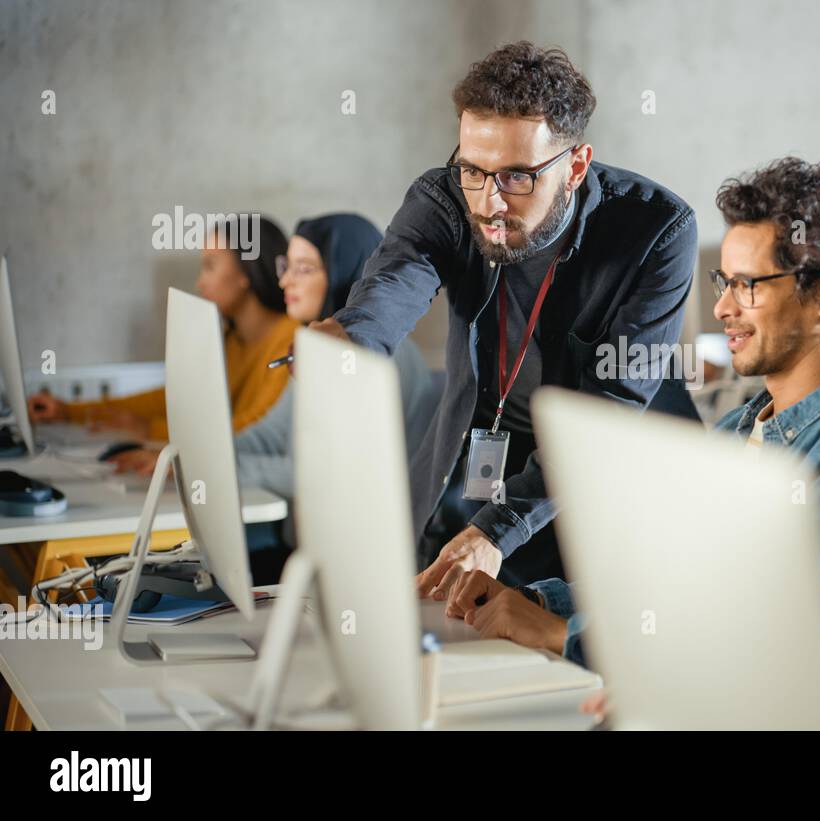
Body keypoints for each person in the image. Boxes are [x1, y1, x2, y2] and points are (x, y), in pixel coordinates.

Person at [446, 158, 820, 710]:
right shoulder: (741, 429)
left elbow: (764, 650)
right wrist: (537, 603)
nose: (722, 307)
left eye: (748, 286)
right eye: (725, 282)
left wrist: (560, 638)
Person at [310, 42, 699, 589]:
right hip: (484, 460)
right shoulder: (445, 200)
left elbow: (608, 410)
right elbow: (398, 277)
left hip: (610, 483)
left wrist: (499, 529)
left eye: (518, 177)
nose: (490, 202)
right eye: (474, 170)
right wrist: (357, 338)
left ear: (576, 166)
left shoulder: (656, 230)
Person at [110, 215, 440, 551]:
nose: (286, 282)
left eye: (305, 269)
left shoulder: (378, 358)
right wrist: (184, 457)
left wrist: (204, 468)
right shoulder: (319, 345)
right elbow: (271, 434)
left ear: (349, 274)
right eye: (286, 267)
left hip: (372, 555)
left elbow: (315, 472)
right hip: (316, 546)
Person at [28, 215, 296, 443]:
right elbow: (175, 400)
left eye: (210, 267)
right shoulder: (234, 340)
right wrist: (70, 412)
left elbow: (257, 430)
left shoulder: (291, 341)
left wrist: (149, 431)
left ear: (245, 273)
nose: (200, 283)